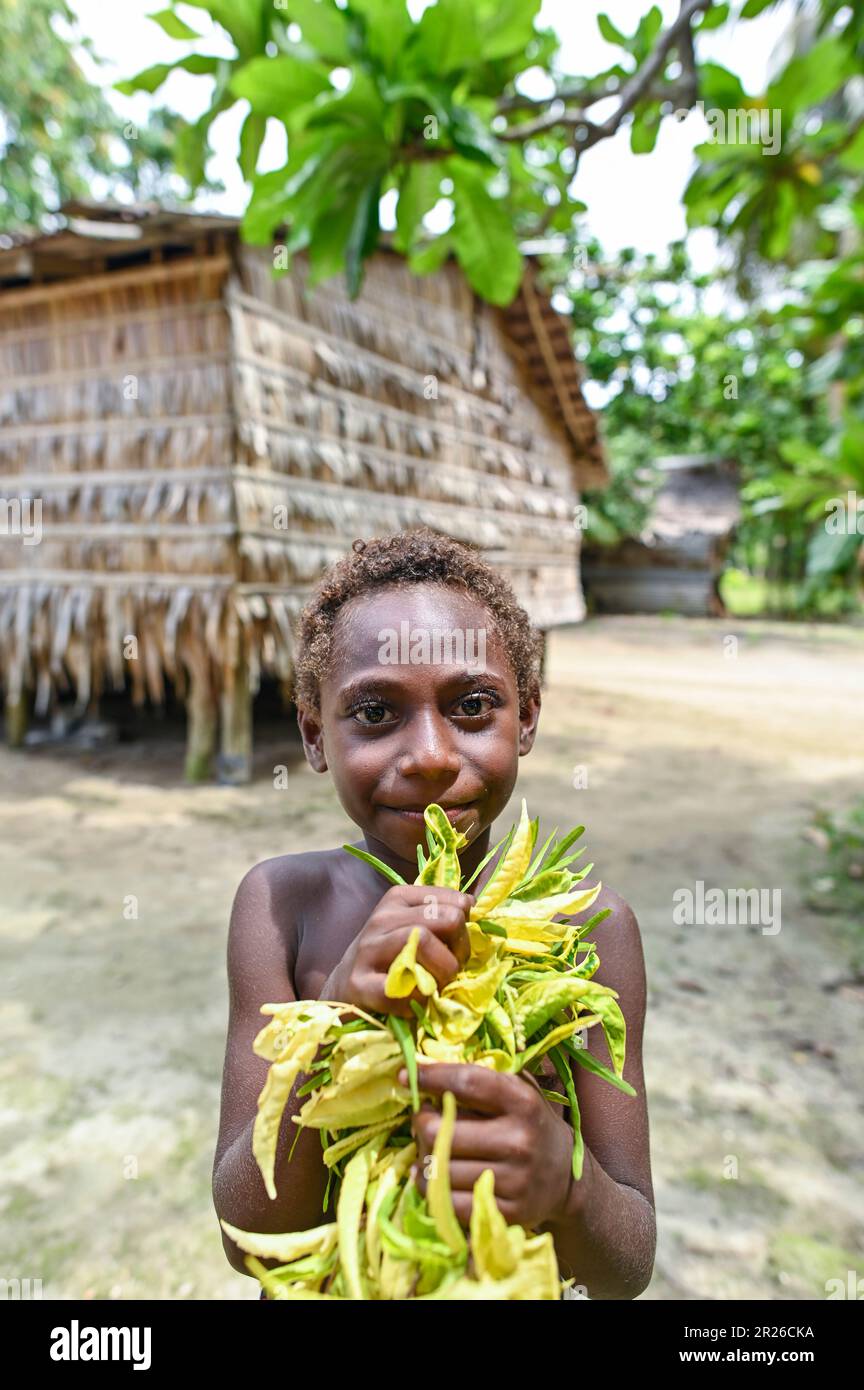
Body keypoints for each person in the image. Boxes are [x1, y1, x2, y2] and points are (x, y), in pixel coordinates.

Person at [212, 527, 655, 1300]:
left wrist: (568, 1188)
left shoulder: (591, 930)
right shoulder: (282, 907)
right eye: (376, 712)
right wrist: (340, 1020)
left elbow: (628, 1269)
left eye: (473, 705)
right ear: (316, 735)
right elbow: (250, 1242)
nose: (431, 756)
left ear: (527, 718)